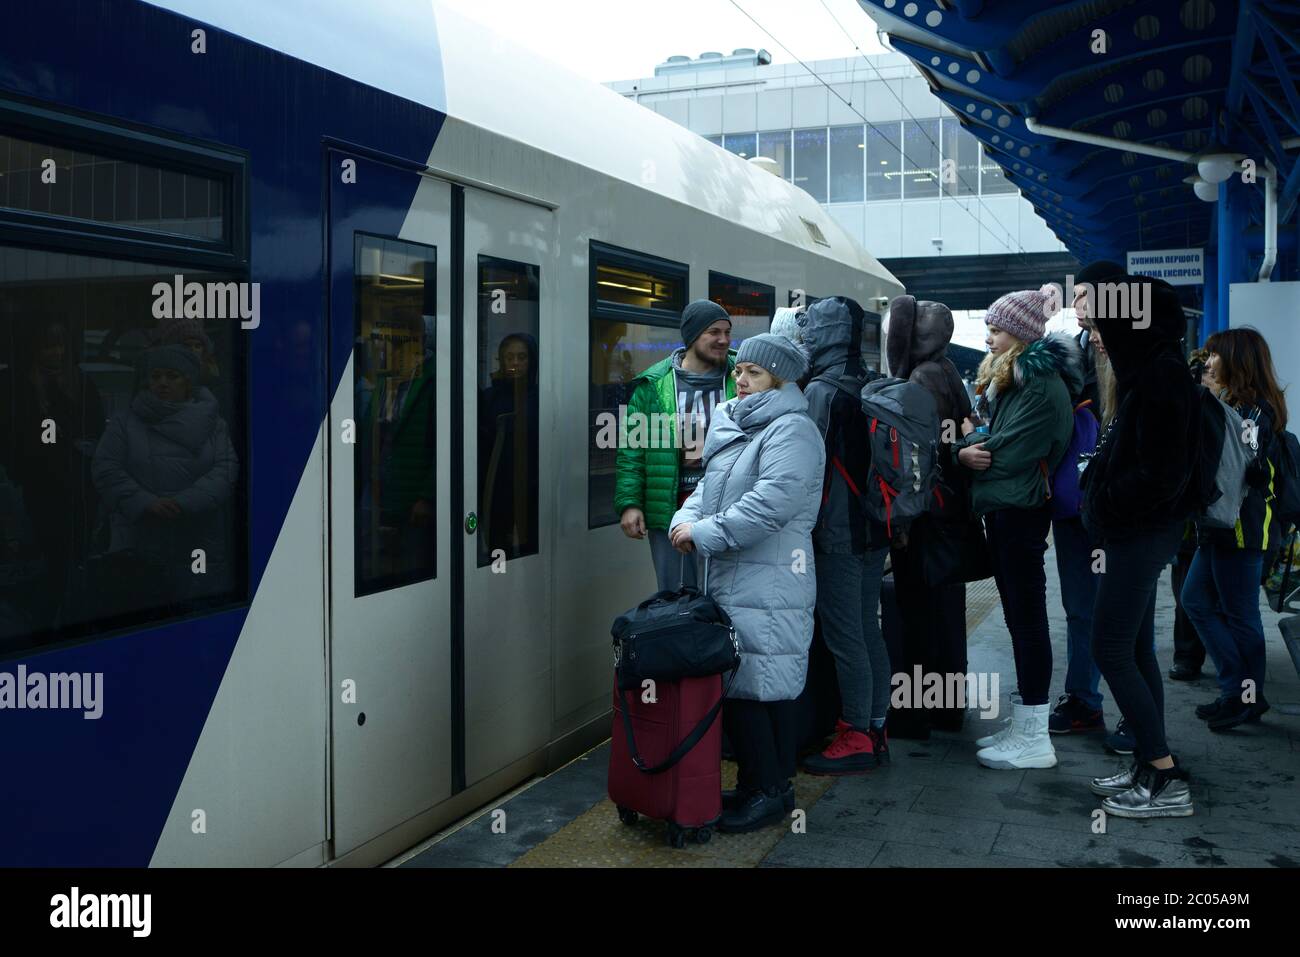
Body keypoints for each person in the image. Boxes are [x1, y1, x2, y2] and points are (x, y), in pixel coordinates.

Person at [669, 333, 823, 832]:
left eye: (754, 373)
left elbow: (769, 506)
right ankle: (763, 783)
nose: (740, 378)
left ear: (778, 380)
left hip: (772, 577)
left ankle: (770, 791)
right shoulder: (737, 422)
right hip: (735, 576)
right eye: (740, 370)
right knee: (744, 684)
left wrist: (702, 534)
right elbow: (710, 488)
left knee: (762, 688)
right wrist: (683, 519)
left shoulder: (792, 431)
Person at [1080, 276, 1198, 818]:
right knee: (1136, 649)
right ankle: (1149, 763)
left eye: (1106, 322)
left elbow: (1162, 471)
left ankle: (1165, 777)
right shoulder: (1153, 372)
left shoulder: (1158, 378)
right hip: (1141, 532)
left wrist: (1107, 502)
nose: (1098, 333)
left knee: (1109, 648)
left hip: (1140, 532)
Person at [954, 288, 1079, 769]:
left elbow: (999, 456)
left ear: (1023, 335)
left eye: (997, 329)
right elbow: (992, 444)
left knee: (1027, 621)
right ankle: (1028, 722)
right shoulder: (1018, 379)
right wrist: (970, 445)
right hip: (1010, 510)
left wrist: (966, 446)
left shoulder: (1039, 387)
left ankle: (1035, 738)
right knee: (1019, 620)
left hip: (1020, 512)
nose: (988, 338)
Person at [797, 297, 891, 774]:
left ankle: (855, 734)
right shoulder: (869, 382)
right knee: (867, 627)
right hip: (876, 528)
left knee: (844, 636)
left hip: (838, 534)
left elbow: (807, 467)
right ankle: (875, 725)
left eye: (812, 329)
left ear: (825, 335)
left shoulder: (821, 391)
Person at [1182, 327, 1287, 731]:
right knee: (1197, 602)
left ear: (1236, 360)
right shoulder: (1235, 405)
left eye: (1214, 355)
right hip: (1220, 524)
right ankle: (1238, 691)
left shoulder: (1253, 411)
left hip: (1242, 526)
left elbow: (1247, 465)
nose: (1207, 362)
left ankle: (1245, 696)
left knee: (1240, 615)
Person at [882, 294, 972, 739]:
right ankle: (947, 708)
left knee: (918, 614)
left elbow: (918, 457)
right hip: (947, 512)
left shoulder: (920, 377)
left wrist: (900, 521)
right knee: (944, 611)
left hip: (925, 517)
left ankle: (915, 713)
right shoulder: (948, 370)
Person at [92, 344, 239, 611]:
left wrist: (184, 502)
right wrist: (145, 502)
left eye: (172, 376)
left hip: (198, 539)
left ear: (188, 382)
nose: (162, 383)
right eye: (156, 376)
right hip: (139, 542)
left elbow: (225, 469)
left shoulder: (215, 424)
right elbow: (106, 467)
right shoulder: (124, 422)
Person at [1045, 266, 1121, 739]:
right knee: (1078, 607)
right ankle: (1084, 699)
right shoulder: (1073, 352)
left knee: (1122, 617)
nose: (1077, 305)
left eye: (1087, 296)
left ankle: (1137, 717)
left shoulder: (1142, 361)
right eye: (1077, 298)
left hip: (1121, 514)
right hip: (1076, 502)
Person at [615, 300, 735, 591]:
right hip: (669, 507)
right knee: (675, 594)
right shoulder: (653, 386)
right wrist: (630, 504)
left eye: (727, 332)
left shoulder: (740, 376)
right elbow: (632, 450)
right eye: (714, 332)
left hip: (728, 506)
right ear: (692, 335)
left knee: (727, 593)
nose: (724, 340)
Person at [0, 315, 105, 636]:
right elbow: (9, 437)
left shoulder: (81, 381)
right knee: (48, 561)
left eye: (60, 345)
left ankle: (68, 623)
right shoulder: (16, 384)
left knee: (76, 558)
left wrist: (70, 438)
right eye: (47, 346)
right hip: (37, 488)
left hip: (80, 486)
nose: (55, 353)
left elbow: (96, 429)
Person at [1168, 349, 1215, 683]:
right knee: (1186, 592)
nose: (1204, 377)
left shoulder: (1241, 414)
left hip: (1218, 522)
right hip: (1189, 522)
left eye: (1210, 371)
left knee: (1194, 595)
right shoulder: (1191, 407)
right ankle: (1188, 654)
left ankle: (1198, 656)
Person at [479, 333, 539, 561]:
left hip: (533, 490)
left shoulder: (542, 397)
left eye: (522, 357)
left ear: (531, 361)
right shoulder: (489, 397)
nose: (515, 363)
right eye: (509, 357)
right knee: (497, 552)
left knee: (531, 552)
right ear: (501, 361)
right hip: (496, 489)